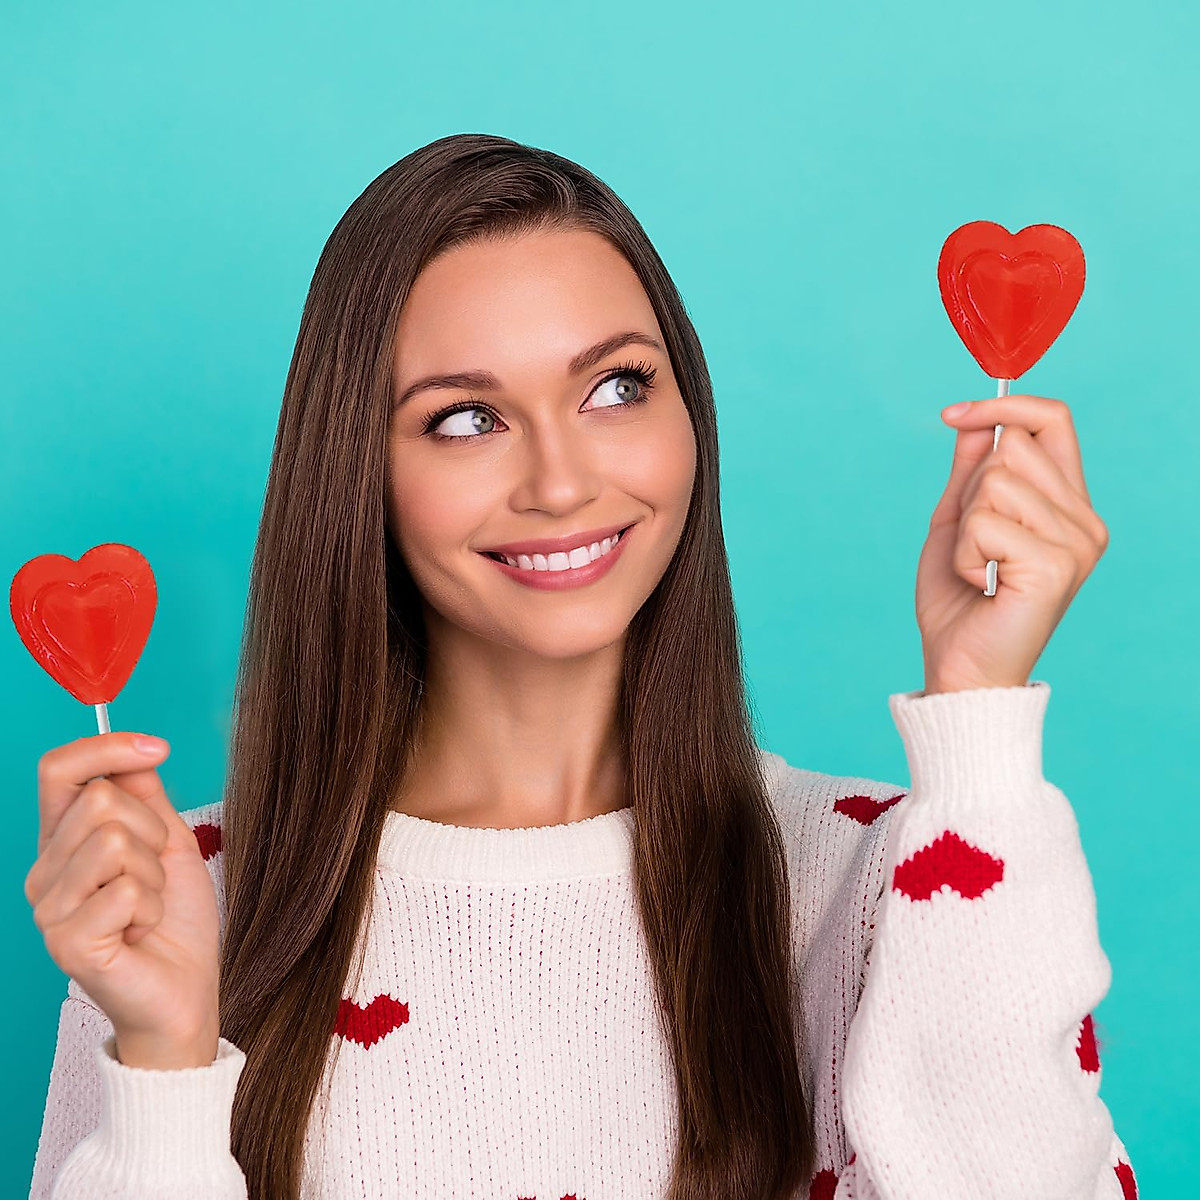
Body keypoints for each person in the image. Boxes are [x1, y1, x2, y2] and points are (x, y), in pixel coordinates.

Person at [25, 133, 1138, 1200]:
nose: (561, 482)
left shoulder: (891, 875)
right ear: (357, 472)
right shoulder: (186, 898)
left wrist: (980, 720)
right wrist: (165, 1061)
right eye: (465, 418)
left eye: (615, 388)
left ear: (689, 411)